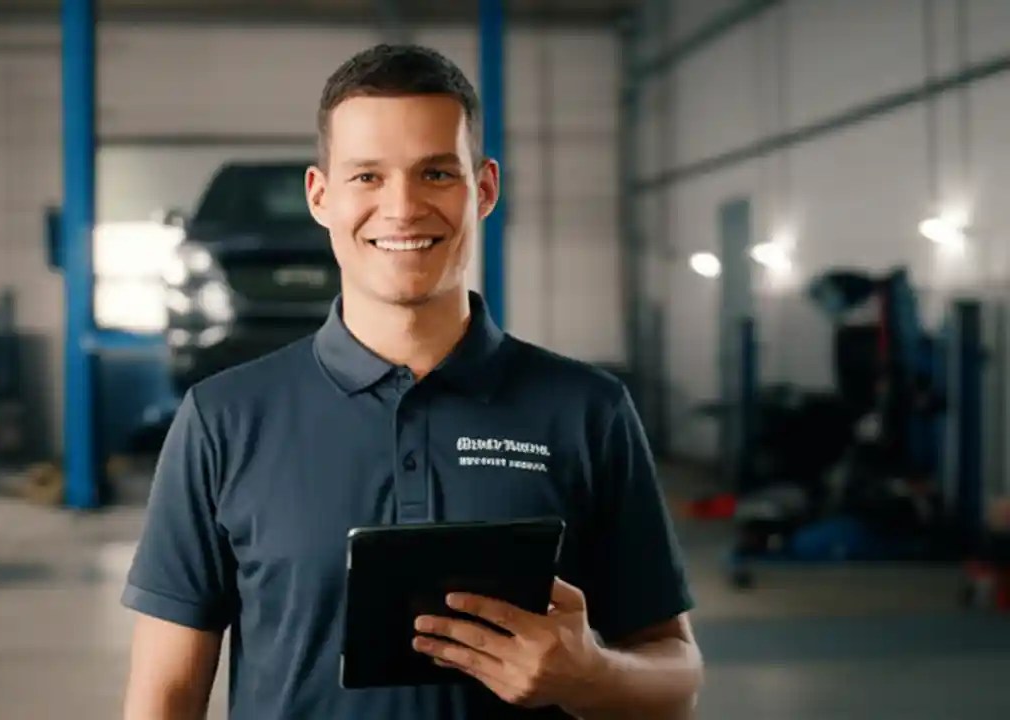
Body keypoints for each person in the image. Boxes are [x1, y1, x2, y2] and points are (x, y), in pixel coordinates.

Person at [121, 44, 703, 720]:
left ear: (483, 189)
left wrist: (591, 674)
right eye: (367, 177)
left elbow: (675, 675)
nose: (402, 208)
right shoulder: (224, 418)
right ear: (321, 195)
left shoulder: (585, 410)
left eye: (435, 173)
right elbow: (164, 695)